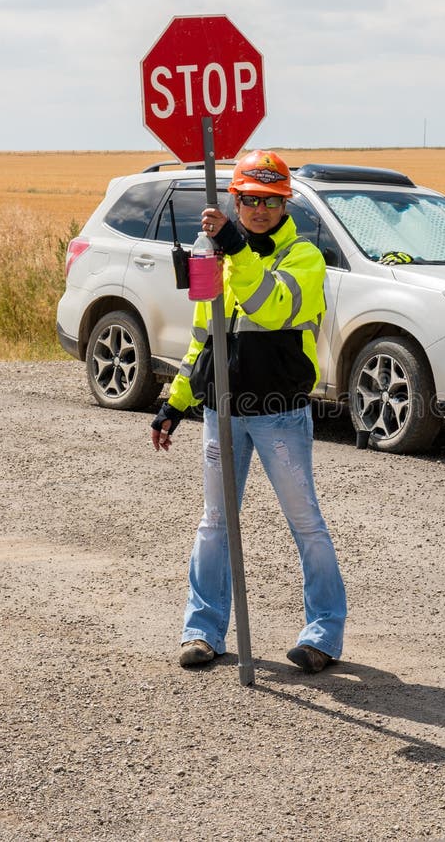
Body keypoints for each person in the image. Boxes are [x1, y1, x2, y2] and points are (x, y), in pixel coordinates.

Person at [150, 150, 347, 674]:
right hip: (220, 410)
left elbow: (270, 304)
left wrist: (235, 248)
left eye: (270, 201)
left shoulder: (303, 257)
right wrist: (176, 400)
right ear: (235, 200)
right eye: (249, 200)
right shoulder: (215, 255)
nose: (259, 209)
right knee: (215, 523)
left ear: (286, 204)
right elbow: (203, 339)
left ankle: (323, 634)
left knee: (304, 523)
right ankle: (203, 632)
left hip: (278, 412)